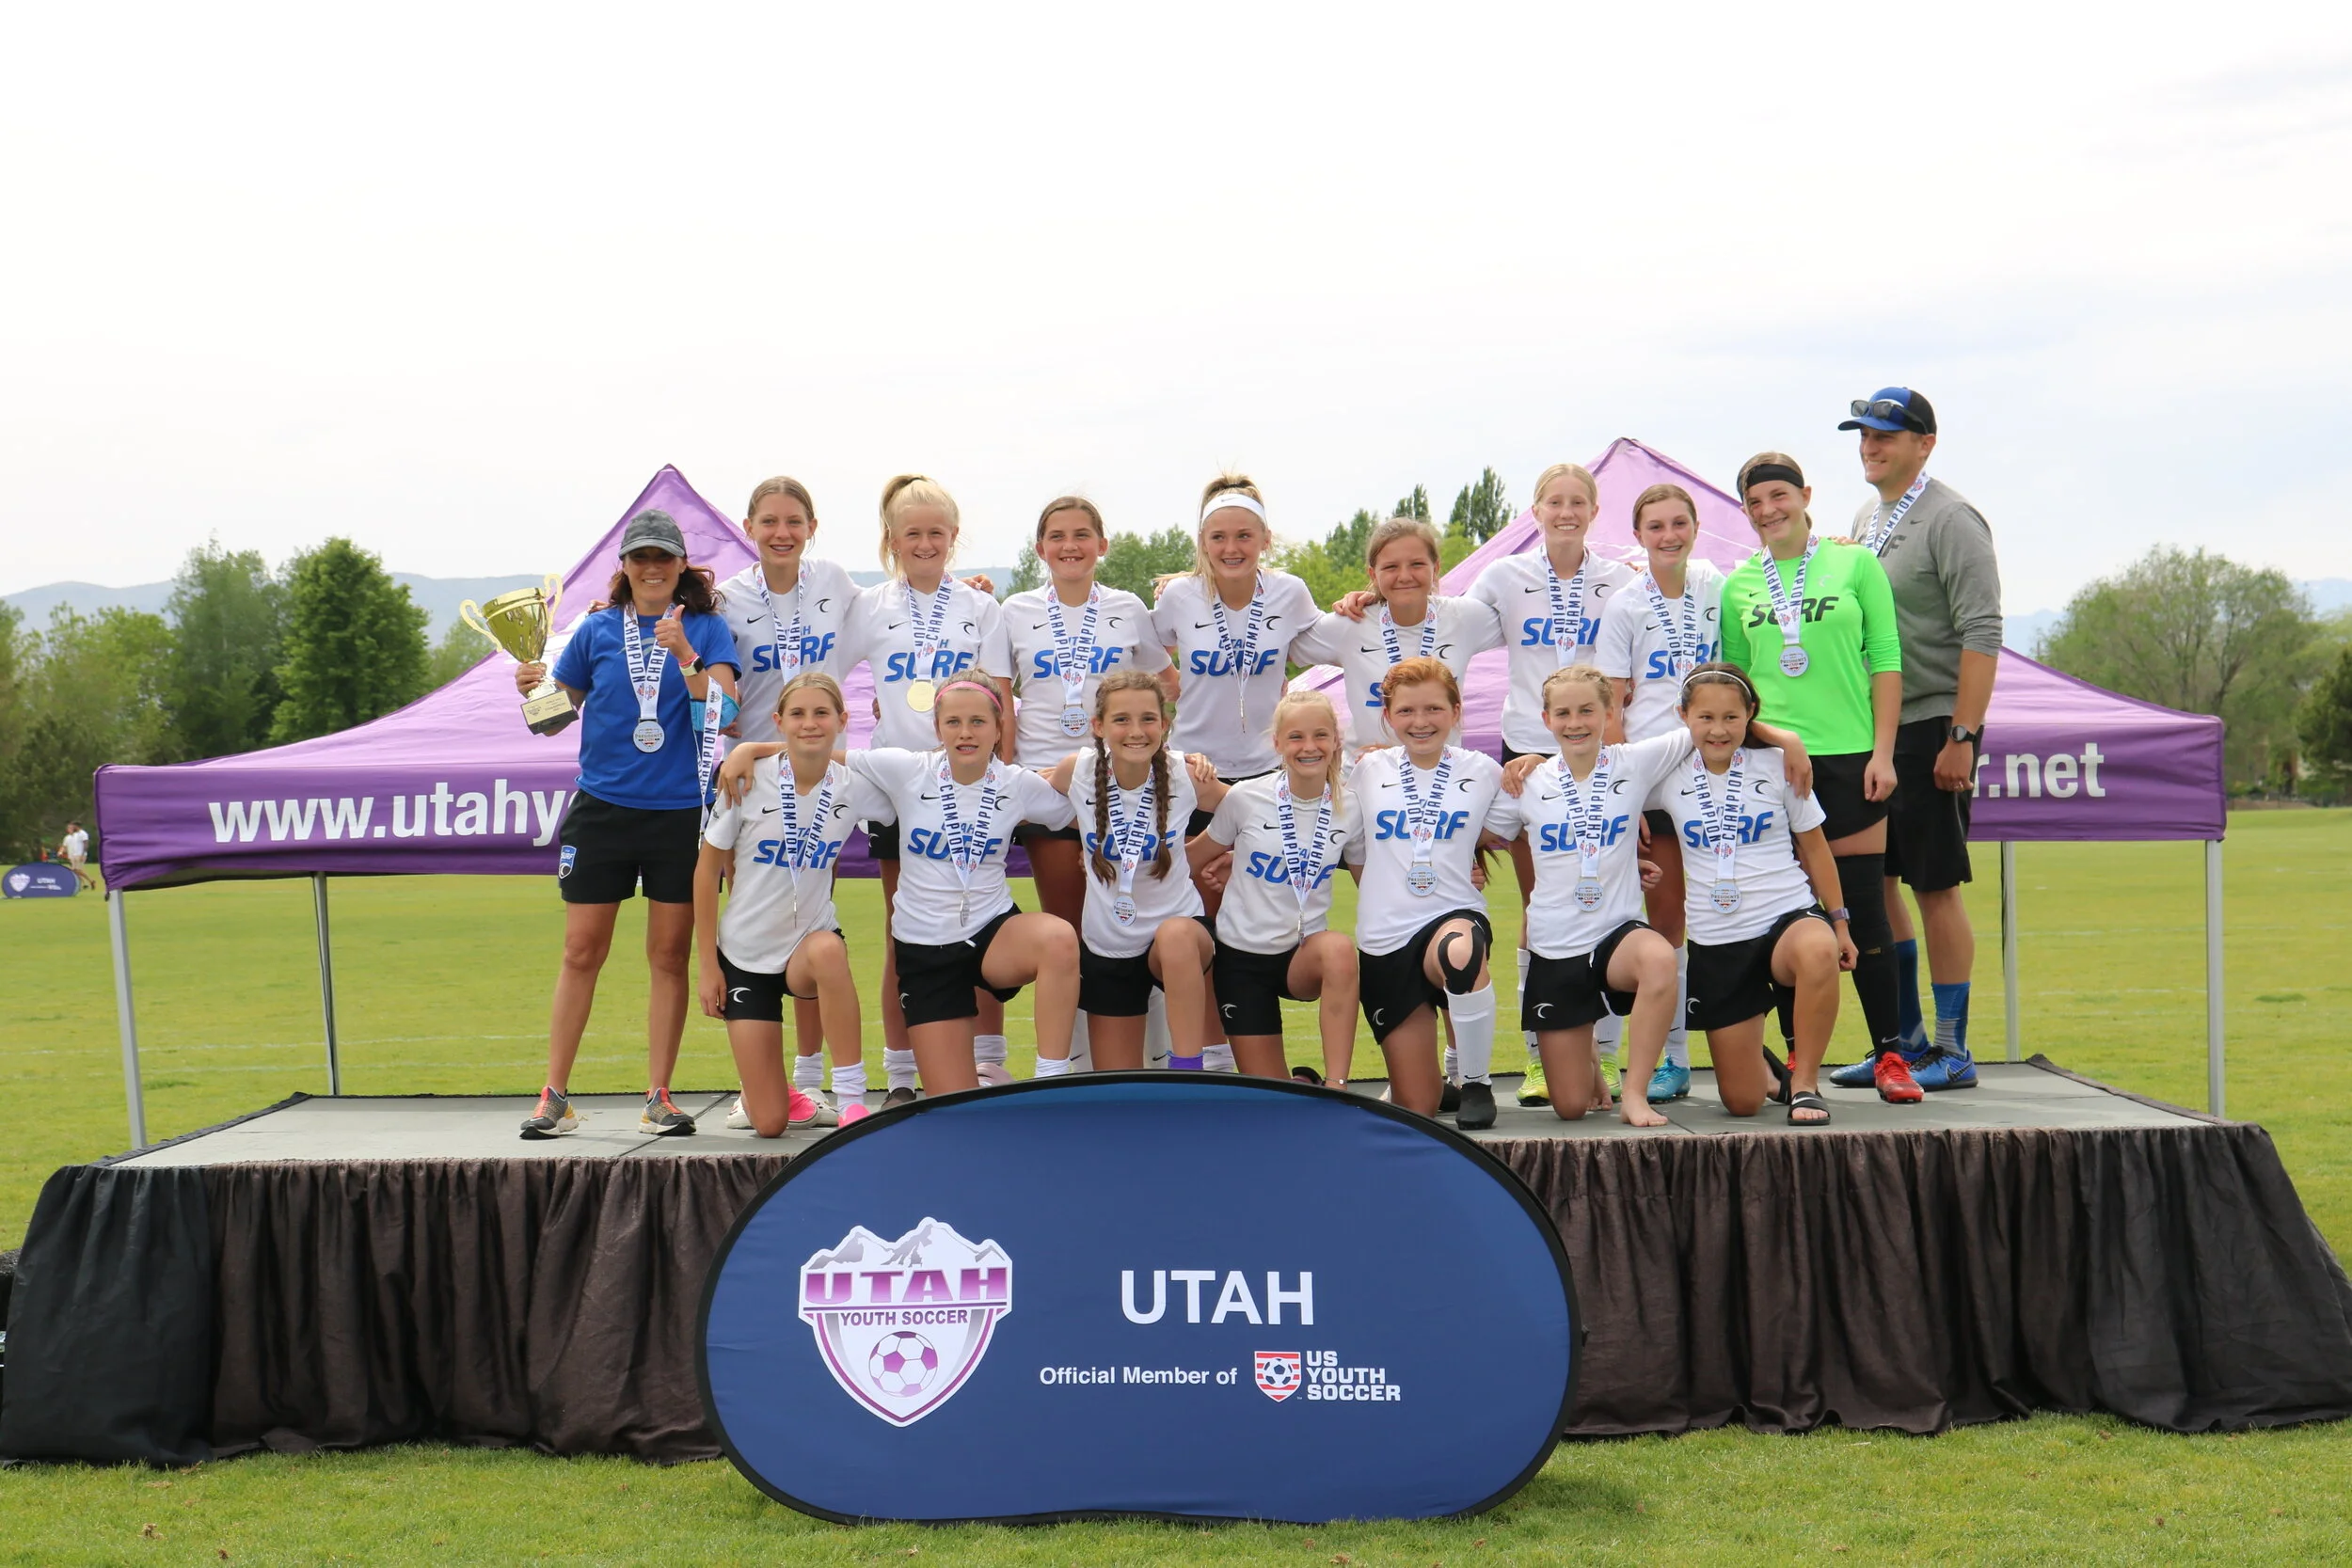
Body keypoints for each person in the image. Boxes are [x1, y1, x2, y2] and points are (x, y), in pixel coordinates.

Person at [516, 510, 741, 1139]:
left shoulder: (706, 628)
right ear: (625, 565)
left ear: (681, 565)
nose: (652, 568)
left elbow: (727, 713)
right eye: (641, 557)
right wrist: (531, 691)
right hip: (604, 810)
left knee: (668, 956)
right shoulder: (595, 629)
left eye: (663, 557)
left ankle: (658, 1096)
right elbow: (552, 721)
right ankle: (554, 1095)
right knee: (581, 950)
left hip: (679, 813)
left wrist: (687, 654)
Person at [1718, 453, 1919, 1103]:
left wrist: (1883, 753)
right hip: (1773, 763)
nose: (1768, 509)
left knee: (1864, 909)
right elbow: (1735, 688)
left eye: (1779, 495)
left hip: (1852, 757)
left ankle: (1891, 1055)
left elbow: (1885, 658)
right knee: (1790, 916)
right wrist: (1779, 738)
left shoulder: (1855, 563)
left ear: (1805, 494)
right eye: (1755, 502)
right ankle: (1800, 1058)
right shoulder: (1738, 585)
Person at [1825, 388, 2002, 1093]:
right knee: (1878, 885)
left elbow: (1982, 630)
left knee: (1935, 886)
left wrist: (1962, 733)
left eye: (1886, 436)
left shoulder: (1952, 518)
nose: (1870, 447)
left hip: (1933, 724)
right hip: (1875, 728)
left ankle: (1953, 1049)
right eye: (1864, 435)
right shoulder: (1866, 518)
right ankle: (1901, 1044)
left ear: (1924, 444)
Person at [1463, 463, 1639, 1105]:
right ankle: (1541, 1059)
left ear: (1594, 510)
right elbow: (1440, 618)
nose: (1566, 512)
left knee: (1609, 904)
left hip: (1603, 752)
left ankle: (1609, 1059)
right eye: (1553, 502)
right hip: (1529, 752)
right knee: (1542, 907)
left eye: (1577, 502)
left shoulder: (1622, 579)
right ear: (1534, 510)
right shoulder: (1504, 576)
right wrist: (1367, 597)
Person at [836, 476, 1016, 1101]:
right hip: (901, 790)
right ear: (891, 539)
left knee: (984, 918)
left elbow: (1001, 700)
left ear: (953, 536)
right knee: (903, 931)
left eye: (936, 532)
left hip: (973, 787)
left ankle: (988, 1062)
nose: (924, 543)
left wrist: (1002, 781)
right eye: (911, 533)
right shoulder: (868, 606)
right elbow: (824, 676)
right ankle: (900, 1074)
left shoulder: (981, 607)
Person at [1152, 473, 1322, 1071]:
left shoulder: (1290, 593)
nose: (1231, 548)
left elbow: (1329, 638)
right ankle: (1208, 1054)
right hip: (1195, 776)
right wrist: (1173, 688)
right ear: (1202, 541)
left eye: (1244, 536)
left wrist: (1363, 600)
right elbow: (1141, 645)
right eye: (1218, 537)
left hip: (1268, 780)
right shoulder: (1179, 597)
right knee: (1197, 917)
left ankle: (1251, 1050)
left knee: (1253, 917)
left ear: (1265, 539)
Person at [1003, 496, 1177, 1069]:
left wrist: (1150, 746)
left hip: (1124, 786)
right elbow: (999, 697)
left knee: (1138, 920)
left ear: (1102, 545)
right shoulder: (1015, 609)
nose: (1070, 545)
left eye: (1082, 534)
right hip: (1050, 788)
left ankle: (1154, 1056)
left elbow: (1167, 683)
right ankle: (1074, 1064)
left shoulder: (1127, 606)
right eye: (1057, 536)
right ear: (1040, 549)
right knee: (1069, 928)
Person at [843, 679, 1080, 1094]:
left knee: (1058, 939)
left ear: (999, 728)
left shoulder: (1017, 783)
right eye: (953, 722)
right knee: (954, 1104)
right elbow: (814, 754)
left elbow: (1088, 813)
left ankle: (1051, 1082)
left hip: (992, 935)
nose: (965, 732)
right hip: (925, 950)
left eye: (978, 721)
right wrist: (750, 752)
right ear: (937, 728)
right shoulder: (907, 768)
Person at [713, 476, 862, 1127]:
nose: (782, 532)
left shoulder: (834, 581)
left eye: (794, 521)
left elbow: (895, 611)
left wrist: (965, 588)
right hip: (751, 778)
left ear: (812, 527)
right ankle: (765, 1086)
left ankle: (809, 1079)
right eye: (769, 521)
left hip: (821, 772)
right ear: (748, 527)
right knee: (759, 909)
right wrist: (748, 749)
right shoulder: (727, 598)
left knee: (811, 913)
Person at [1654, 664, 1855, 1125]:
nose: (1718, 730)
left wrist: (1840, 923)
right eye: (1705, 717)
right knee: (1742, 1103)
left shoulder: (1780, 764)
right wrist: (1536, 763)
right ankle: (1763, 1069)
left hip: (1786, 915)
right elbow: (1600, 776)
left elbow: (1816, 848)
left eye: (1731, 717)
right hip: (1718, 938)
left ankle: (1805, 1085)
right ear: (1683, 716)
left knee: (1819, 948)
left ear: (1750, 716)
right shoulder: (1665, 771)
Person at [694, 673, 887, 1134]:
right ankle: (767, 1092)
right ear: (778, 721)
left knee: (829, 950)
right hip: (744, 955)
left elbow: (924, 779)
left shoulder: (854, 786)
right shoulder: (745, 778)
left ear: (842, 720)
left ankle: (852, 1101)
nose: (810, 723)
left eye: (822, 713)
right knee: (770, 1124)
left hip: (806, 948)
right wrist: (707, 966)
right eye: (797, 714)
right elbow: (705, 872)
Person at [1590, 483, 1727, 1105]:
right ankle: (1674, 1058)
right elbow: (1612, 706)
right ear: (1638, 535)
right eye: (1656, 526)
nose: (1669, 536)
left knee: (1730, 907)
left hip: (1717, 768)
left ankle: (1743, 1045)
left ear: (1696, 526)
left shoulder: (1715, 584)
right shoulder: (1625, 604)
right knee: (1665, 919)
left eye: (1679, 523)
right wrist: (1627, 789)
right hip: (1652, 775)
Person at [1343, 657, 1518, 1129]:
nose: (1420, 722)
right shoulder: (1365, 769)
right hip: (1385, 935)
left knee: (1461, 951)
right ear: (1387, 716)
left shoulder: (1482, 770)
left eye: (1434, 709)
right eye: (1406, 711)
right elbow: (1339, 836)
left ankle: (1476, 1082)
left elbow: (1529, 816)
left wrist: (1535, 761)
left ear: (1456, 712)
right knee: (1415, 1106)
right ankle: (1433, 1084)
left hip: (1451, 914)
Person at [1045, 672, 1220, 1071]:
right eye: (1121, 719)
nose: (1136, 731)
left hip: (1178, 937)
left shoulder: (1187, 774)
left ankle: (1188, 1071)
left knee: (1176, 937)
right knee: (1119, 1086)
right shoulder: (1076, 770)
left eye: (1148, 719)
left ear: (1165, 723)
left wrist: (1210, 853)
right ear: (1098, 726)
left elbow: (1247, 812)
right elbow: (1025, 796)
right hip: (1108, 944)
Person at [1196, 689, 1359, 1088]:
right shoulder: (1245, 797)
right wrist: (1111, 861)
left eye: (1320, 735)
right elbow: (1190, 859)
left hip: (1302, 956)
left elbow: (1374, 880)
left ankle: (1337, 1086)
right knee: (1273, 1099)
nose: (1309, 747)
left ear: (1336, 740)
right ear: (1277, 743)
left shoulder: (1352, 805)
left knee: (1339, 949)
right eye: (1296, 737)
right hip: (1242, 958)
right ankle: (1302, 1084)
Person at [1292, 515, 1503, 755]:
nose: (1404, 576)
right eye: (1391, 567)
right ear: (1373, 575)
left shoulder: (1464, 618)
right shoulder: (1350, 623)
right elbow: (1282, 645)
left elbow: (1522, 617)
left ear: (1436, 569)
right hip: (1366, 772)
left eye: (1417, 564)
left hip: (1442, 773)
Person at [58, 821, 96, 892]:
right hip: (72, 855)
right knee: (74, 870)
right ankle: (83, 884)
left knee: (77, 870)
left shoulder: (82, 834)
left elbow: (85, 844)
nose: (70, 828)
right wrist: (61, 852)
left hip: (79, 854)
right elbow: (64, 846)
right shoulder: (70, 836)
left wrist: (83, 854)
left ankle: (89, 881)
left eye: (72, 827)